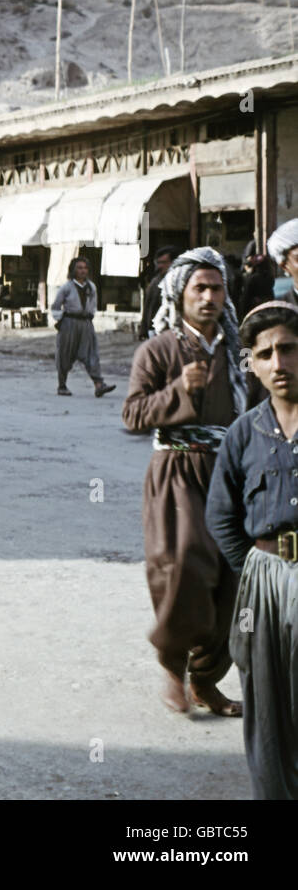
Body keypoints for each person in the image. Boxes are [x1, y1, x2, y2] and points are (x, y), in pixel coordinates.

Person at [123, 247, 244, 717]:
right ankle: (174, 665)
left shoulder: (240, 353)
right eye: (201, 288)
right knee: (184, 564)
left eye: (217, 289)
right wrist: (178, 391)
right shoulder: (157, 350)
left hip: (228, 470)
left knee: (233, 581)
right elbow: (133, 414)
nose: (210, 297)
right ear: (180, 294)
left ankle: (206, 680)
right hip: (175, 470)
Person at [207, 300, 298, 798]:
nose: (278, 363)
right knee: (265, 707)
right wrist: (256, 570)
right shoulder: (244, 433)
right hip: (262, 581)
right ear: (253, 364)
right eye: (266, 354)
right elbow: (220, 515)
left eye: (288, 349)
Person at [51, 257, 116, 397]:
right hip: (69, 322)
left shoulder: (91, 287)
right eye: (79, 268)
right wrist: (60, 320)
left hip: (86, 323)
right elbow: (56, 306)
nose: (82, 271)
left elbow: (93, 305)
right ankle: (62, 385)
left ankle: (99, 385)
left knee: (92, 353)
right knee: (65, 354)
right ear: (73, 270)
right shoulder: (66, 287)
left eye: (85, 268)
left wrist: (90, 316)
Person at [139, 248, 176, 339]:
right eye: (158, 263)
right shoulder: (155, 282)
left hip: (172, 330)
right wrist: (143, 330)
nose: (159, 266)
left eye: (163, 262)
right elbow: (147, 306)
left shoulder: (178, 283)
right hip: (154, 329)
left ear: (173, 263)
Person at [240, 248, 275, 318]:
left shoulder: (252, 278)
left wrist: (242, 312)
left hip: (255, 309)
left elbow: (246, 297)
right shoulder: (270, 277)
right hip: (267, 307)